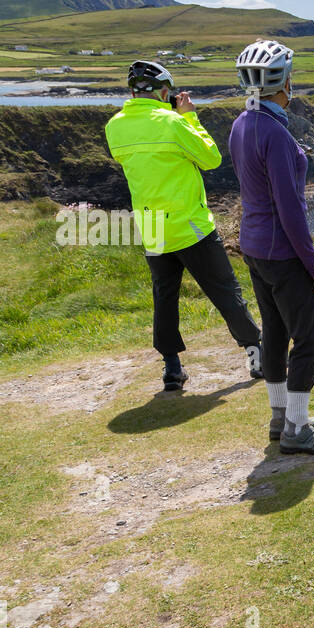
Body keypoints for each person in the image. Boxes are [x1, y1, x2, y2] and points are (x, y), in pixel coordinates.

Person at [105, 60, 263, 392]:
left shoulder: (114, 126)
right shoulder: (172, 122)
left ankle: (172, 369)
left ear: (132, 91)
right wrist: (188, 116)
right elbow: (211, 158)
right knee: (225, 291)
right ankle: (256, 355)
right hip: (189, 225)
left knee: (165, 297)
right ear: (165, 92)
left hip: (152, 228)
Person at [228, 40, 314, 454]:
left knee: (274, 332)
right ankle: (297, 430)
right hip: (282, 252)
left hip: (254, 247)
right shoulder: (275, 133)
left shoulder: (242, 123)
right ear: (284, 82)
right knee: (310, 339)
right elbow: (290, 208)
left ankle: (281, 417)